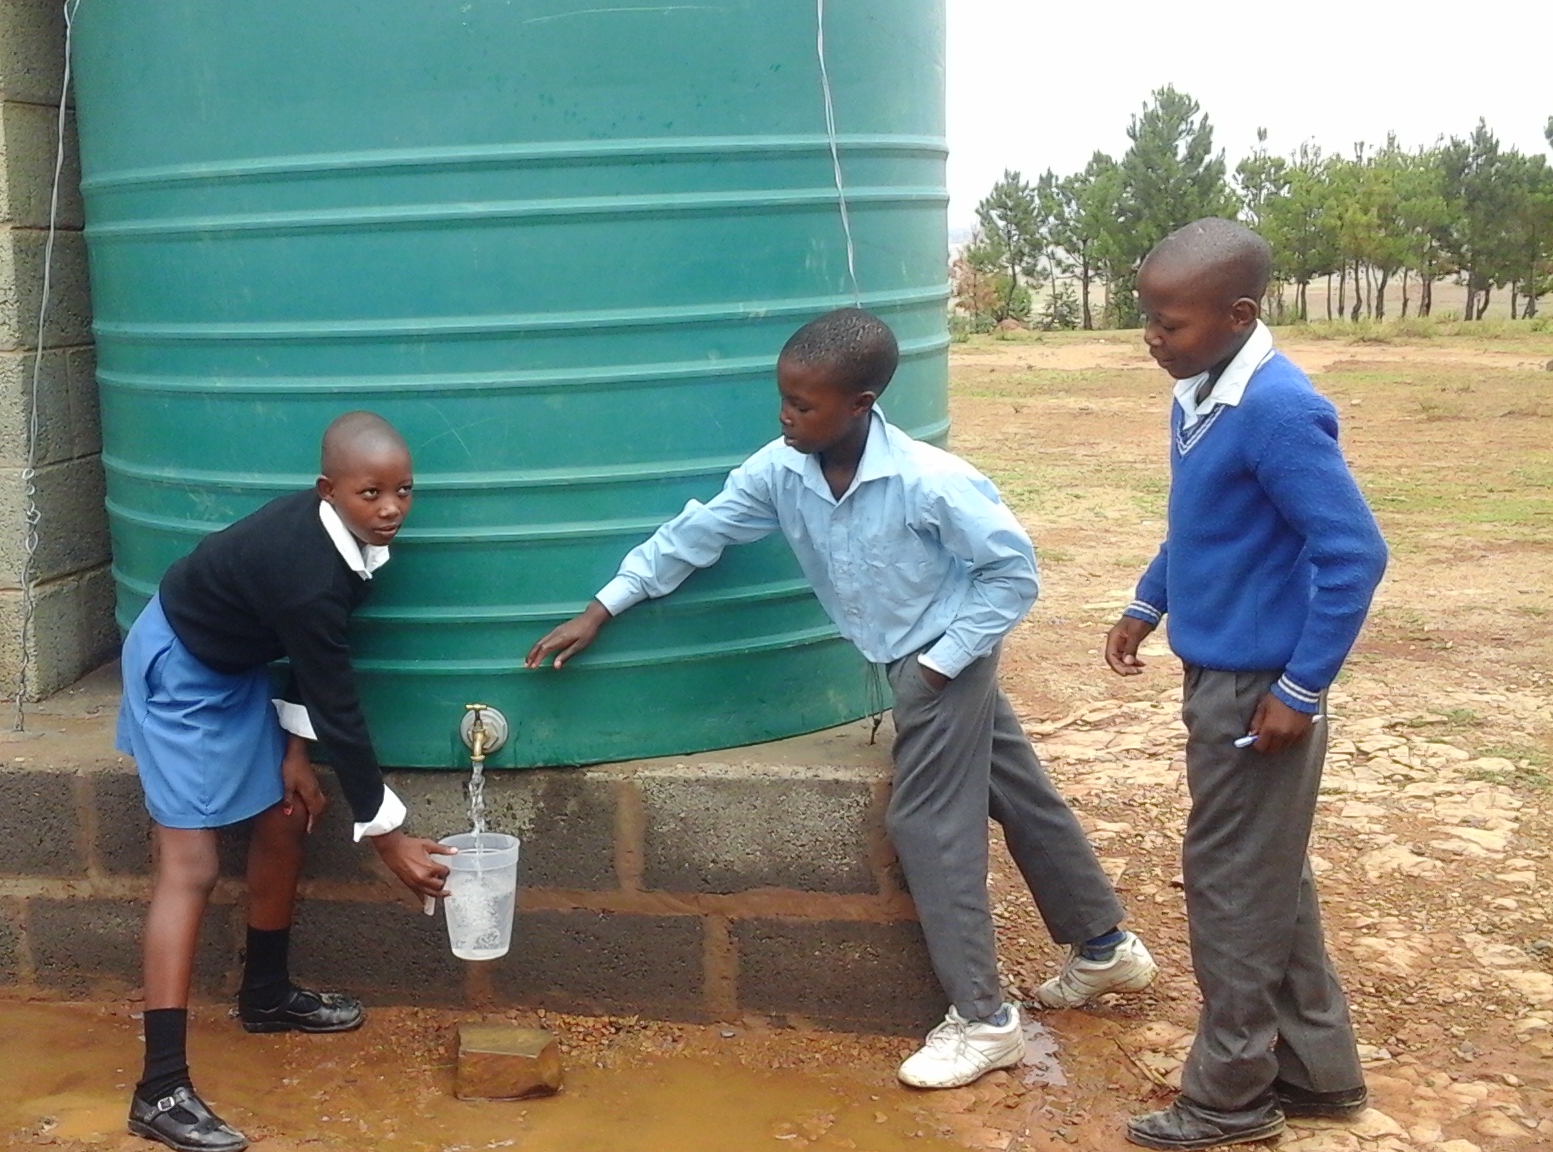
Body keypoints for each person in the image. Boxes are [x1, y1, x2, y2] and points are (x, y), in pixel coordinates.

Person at [526, 307, 1156, 1089]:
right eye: (783, 400)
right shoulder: (781, 469)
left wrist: (938, 666)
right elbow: (699, 534)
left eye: (805, 405)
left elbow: (1013, 574)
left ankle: (985, 1020)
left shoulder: (930, 482)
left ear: (860, 404)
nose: (786, 416)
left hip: (941, 656)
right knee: (1017, 792)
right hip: (913, 656)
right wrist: (603, 606)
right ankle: (1104, 948)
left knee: (927, 824)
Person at [1108, 218, 1388, 1151]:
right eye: (1146, 316)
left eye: (1170, 322)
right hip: (1218, 670)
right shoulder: (1202, 393)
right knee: (1269, 877)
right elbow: (1205, 526)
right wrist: (1150, 601)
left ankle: (1229, 1097)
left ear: (1239, 315)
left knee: (1228, 882)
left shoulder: (1276, 407)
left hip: (1258, 689)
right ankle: (1318, 1074)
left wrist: (1302, 690)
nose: (1152, 336)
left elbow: (1353, 552)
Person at [119, 411, 454, 1152]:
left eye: (404, 491)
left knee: (286, 812)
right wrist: (388, 837)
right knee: (191, 867)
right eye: (372, 493)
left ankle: (266, 997)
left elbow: (312, 651)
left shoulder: (350, 546)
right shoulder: (308, 566)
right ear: (327, 490)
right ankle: (160, 1088)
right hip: (181, 669)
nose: (392, 508)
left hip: (234, 665)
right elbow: (337, 694)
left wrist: (295, 754)